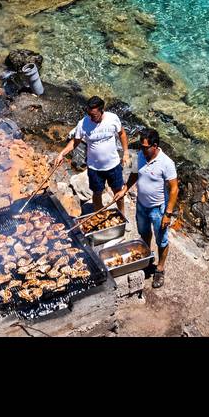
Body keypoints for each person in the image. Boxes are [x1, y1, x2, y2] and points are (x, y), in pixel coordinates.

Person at [113, 128, 178, 289]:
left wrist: (168, 213)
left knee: (161, 240)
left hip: (158, 209)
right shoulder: (140, 156)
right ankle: (147, 258)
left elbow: (174, 188)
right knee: (144, 234)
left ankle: (160, 268)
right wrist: (124, 190)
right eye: (141, 146)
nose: (142, 149)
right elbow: (134, 175)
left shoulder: (166, 163)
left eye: (145, 147)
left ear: (155, 146)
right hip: (141, 205)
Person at [57, 97, 129, 218]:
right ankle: (99, 215)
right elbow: (76, 141)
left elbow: (122, 133)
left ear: (102, 110)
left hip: (113, 165)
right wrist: (62, 154)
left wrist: (126, 152)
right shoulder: (83, 123)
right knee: (97, 193)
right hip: (94, 168)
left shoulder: (112, 118)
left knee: (118, 192)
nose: (92, 117)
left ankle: (122, 214)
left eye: (94, 115)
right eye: (90, 114)